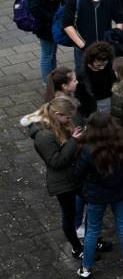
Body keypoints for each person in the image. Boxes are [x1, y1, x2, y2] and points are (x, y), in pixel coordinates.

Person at [75, 111, 123, 279]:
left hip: (97, 195)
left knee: (92, 230)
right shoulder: (122, 142)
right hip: (120, 191)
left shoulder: (86, 149)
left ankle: (86, 268)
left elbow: (78, 173)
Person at [23, 96, 86, 258]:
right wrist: (74, 140)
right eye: (67, 117)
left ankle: (93, 239)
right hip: (62, 183)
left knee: (93, 205)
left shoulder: (60, 124)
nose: (69, 120)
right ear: (57, 114)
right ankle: (77, 248)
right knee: (69, 215)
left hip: (75, 175)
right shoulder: (43, 136)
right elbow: (56, 162)